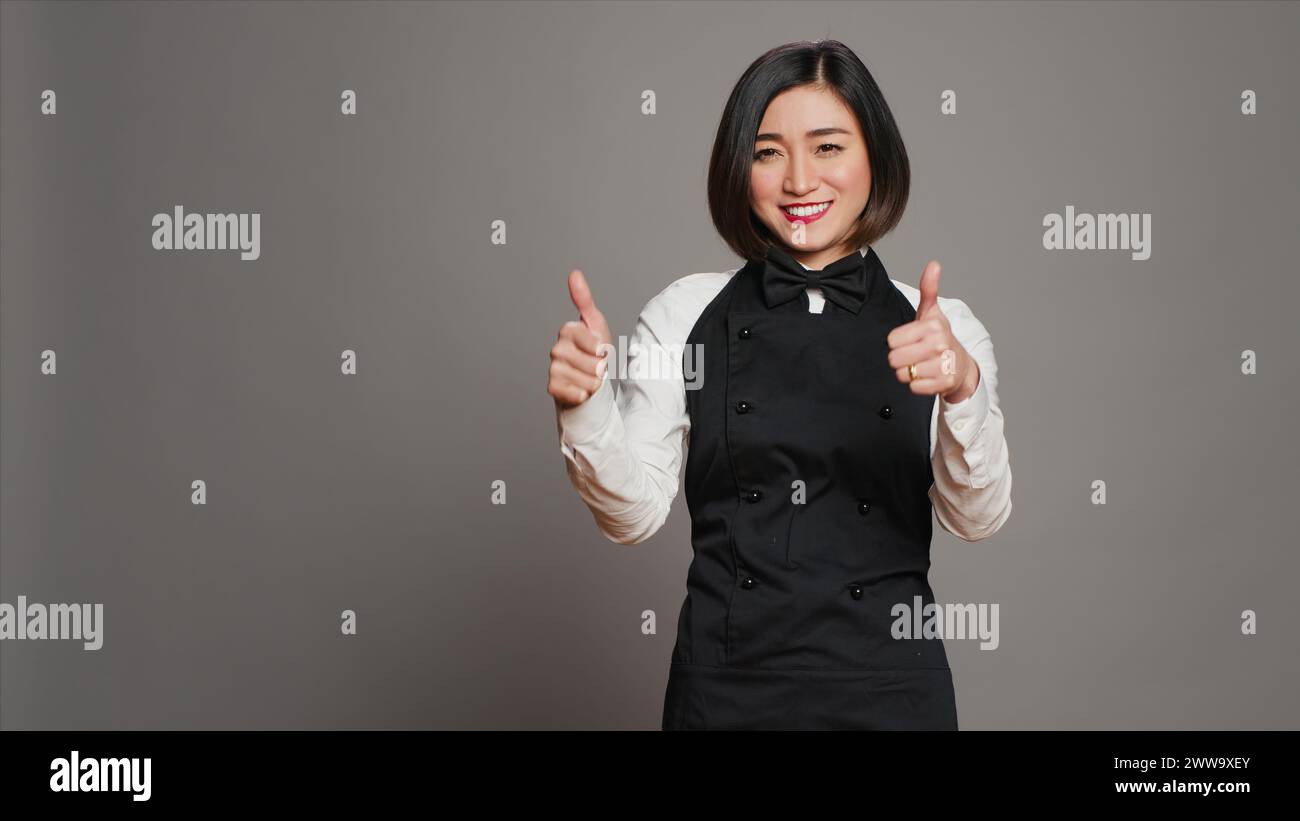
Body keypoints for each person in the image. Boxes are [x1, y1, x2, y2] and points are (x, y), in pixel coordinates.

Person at [547, 39, 1012, 730]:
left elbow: (978, 519)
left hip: (891, 692)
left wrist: (963, 388)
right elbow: (634, 516)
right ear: (740, 168)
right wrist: (584, 410)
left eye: (828, 147)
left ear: (874, 157)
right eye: (768, 151)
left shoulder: (942, 326)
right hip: (725, 689)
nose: (799, 181)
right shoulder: (682, 314)